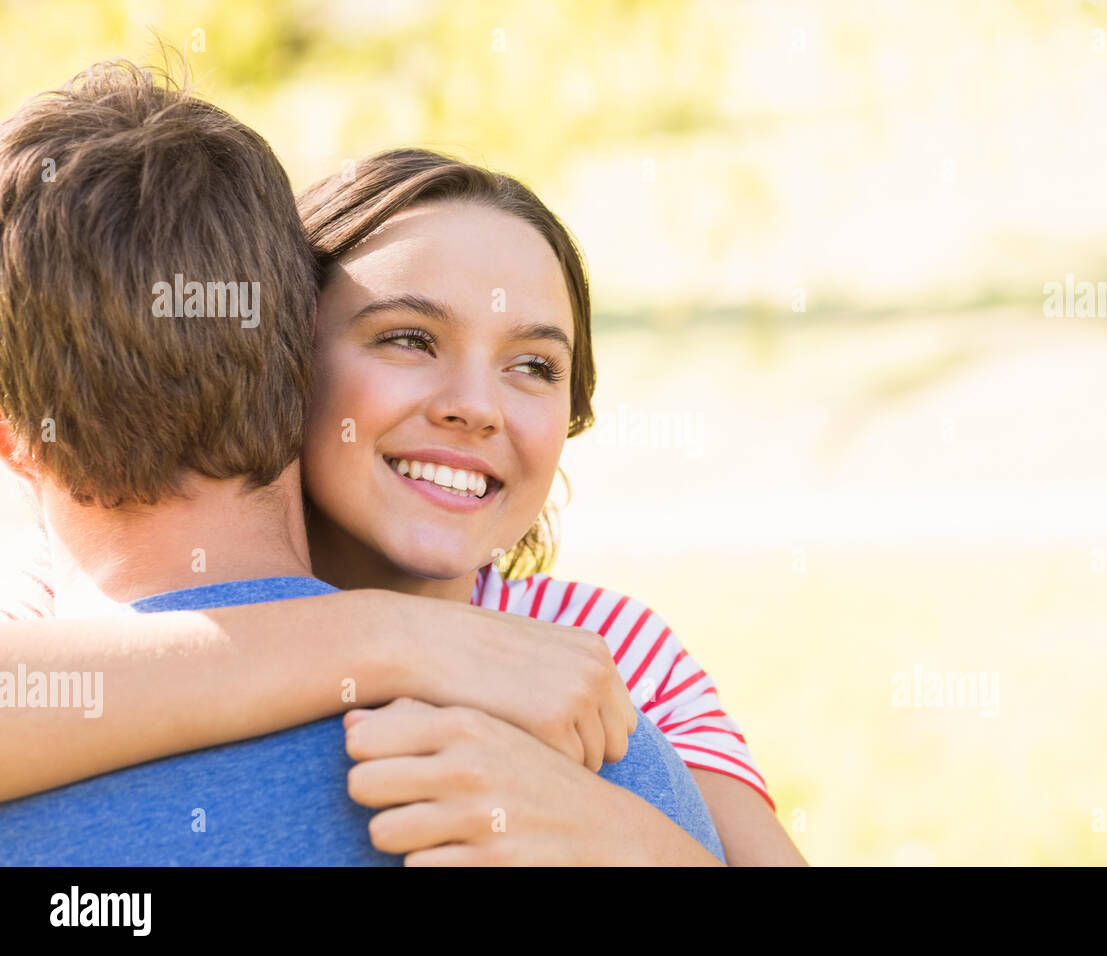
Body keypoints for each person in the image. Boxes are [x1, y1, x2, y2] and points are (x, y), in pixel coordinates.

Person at [0, 60, 732, 864]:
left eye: (535, 366)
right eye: (408, 340)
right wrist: (393, 636)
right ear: (296, 357)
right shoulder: (627, 763)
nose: (474, 407)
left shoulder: (603, 679)